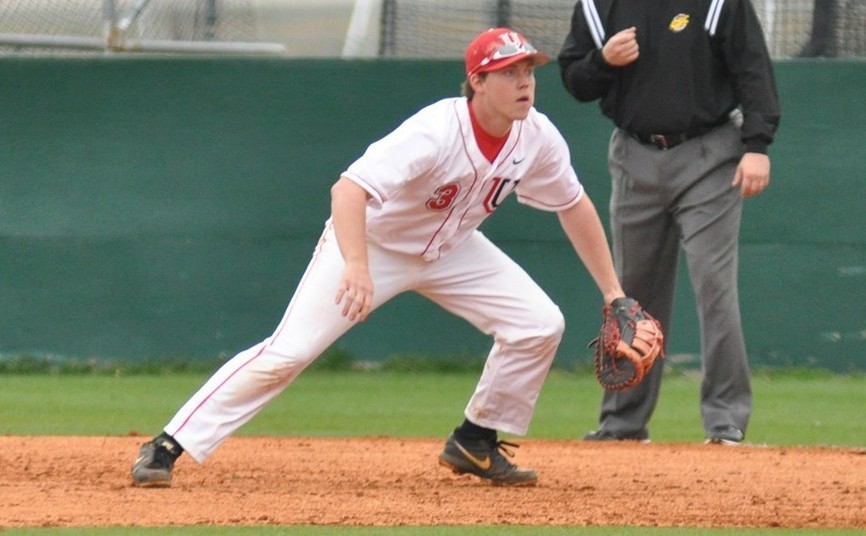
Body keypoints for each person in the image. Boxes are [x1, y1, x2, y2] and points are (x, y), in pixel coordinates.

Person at [132, 27, 633, 488]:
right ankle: (168, 445)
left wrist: (613, 292)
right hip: (373, 244)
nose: (525, 83)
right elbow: (348, 190)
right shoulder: (436, 130)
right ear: (477, 82)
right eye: (510, 73)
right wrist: (356, 265)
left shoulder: (536, 137)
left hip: (451, 249)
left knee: (539, 323)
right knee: (289, 351)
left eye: (528, 72)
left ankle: (475, 441)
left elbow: (574, 205)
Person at [558, 0, 781, 445]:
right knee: (632, 296)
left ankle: (725, 421)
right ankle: (622, 423)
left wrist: (757, 144)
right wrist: (603, 60)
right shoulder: (600, 5)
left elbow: (753, 68)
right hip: (634, 154)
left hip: (709, 153)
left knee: (714, 287)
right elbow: (575, 80)